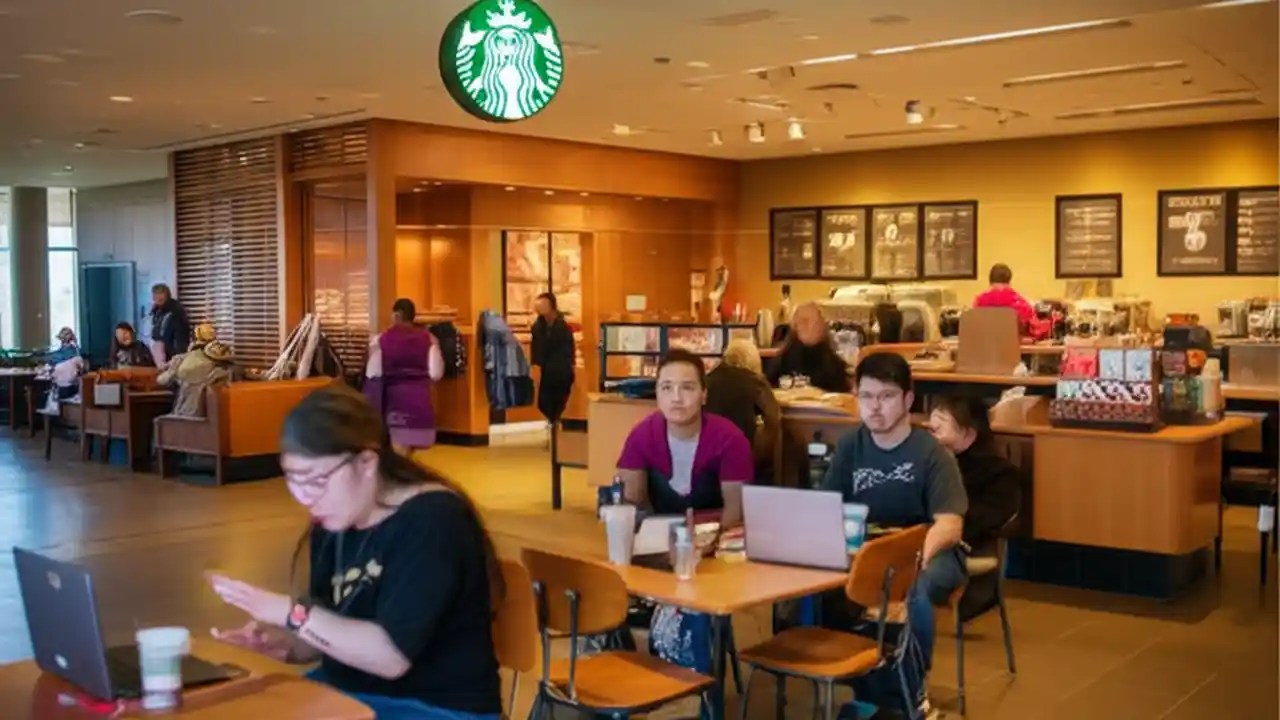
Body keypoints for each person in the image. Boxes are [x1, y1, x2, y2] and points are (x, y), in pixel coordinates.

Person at [207, 384, 503, 720]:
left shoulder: (433, 520)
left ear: (365, 463)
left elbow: (390, 657)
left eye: (316, 480)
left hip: (435, 707)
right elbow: (330, 625)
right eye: (292, 480)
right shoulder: (333, 521)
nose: (304, 497)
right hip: (350, 693)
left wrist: (292, 615)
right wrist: (287, 644)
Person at [821, 353, 967, 717]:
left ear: (908, 399)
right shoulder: (852, 445)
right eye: (866, 396)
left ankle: (910, 695)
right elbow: (825, 506)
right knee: (818, 592)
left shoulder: (932, 453)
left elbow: (949, 524)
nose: (875, 407)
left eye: (885, 397)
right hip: (867, 550)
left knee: (914, 591)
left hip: (928, 549)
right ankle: (869, 688)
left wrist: (916, 562)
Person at [615, 348, 753, 672]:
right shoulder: (641, 435)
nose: (676, 397)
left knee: (694, 603)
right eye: (666, 388)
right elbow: (630, 503)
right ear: (657, 394)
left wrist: (699, 547)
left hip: (714, 555)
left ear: (704, 395)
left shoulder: (729, 439)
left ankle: (697, 683)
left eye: (687, 388)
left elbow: (735, 513)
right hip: (657, 553)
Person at [928, 394, 1022, 615]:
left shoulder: (998, 474)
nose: (931, 439)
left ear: (968, 434)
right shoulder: (930, 463)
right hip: (917, 544)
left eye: (937, 430)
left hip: (960, 550)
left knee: (900, 576)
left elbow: (982, 520)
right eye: (930, 430)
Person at [364, 298, 445, 455]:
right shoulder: (429, 339)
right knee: (408, 458)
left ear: (397, 315)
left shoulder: (381, 340)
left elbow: (373, 373)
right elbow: (436, 373)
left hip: (396, 406)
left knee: (398, 458)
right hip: (422, 405)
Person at [705, 339, 781, 482]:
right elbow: (773, 421)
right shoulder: (756, 385)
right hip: (744, 468)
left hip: (708, 468)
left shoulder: (706, 382)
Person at [766, 302, 850, 393]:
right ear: (795, 326)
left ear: (822, 326)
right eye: (803, 321)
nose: (807, 326)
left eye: (812, 321)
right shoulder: (782, 362)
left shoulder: (834, 367)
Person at [529, 292, 575, 424]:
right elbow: (536, 347)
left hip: (561, 370)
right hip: (546, 371)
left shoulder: (563, 327)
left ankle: (554, 423)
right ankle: (552, 423)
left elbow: (569, 350)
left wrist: (570, 367)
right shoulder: (538, 327)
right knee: (544, 402)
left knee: (557, 400)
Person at [158, 339, 233, 417]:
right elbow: (162, 380)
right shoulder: (221, 372)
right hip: (193, 414)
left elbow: (162, 380)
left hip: (191, 414)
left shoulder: (219, 373)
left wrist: (173, 371)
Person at [972, 264, 1038, 332]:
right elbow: (1032, 325)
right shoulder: (1018, 301)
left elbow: (973, 325)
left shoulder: (979, 301)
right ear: (1009, 280)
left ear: (990, 281)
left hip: (985, 340)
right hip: (1012, 341)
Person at [149, 283, 191, 367]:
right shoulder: (158, 310)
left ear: (166, 295)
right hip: (162, 351)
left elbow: (181, 334)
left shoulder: (175, 310)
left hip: (173, 352)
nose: (157, 298)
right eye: (155, 296)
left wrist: (179, 355)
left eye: (160, 295)